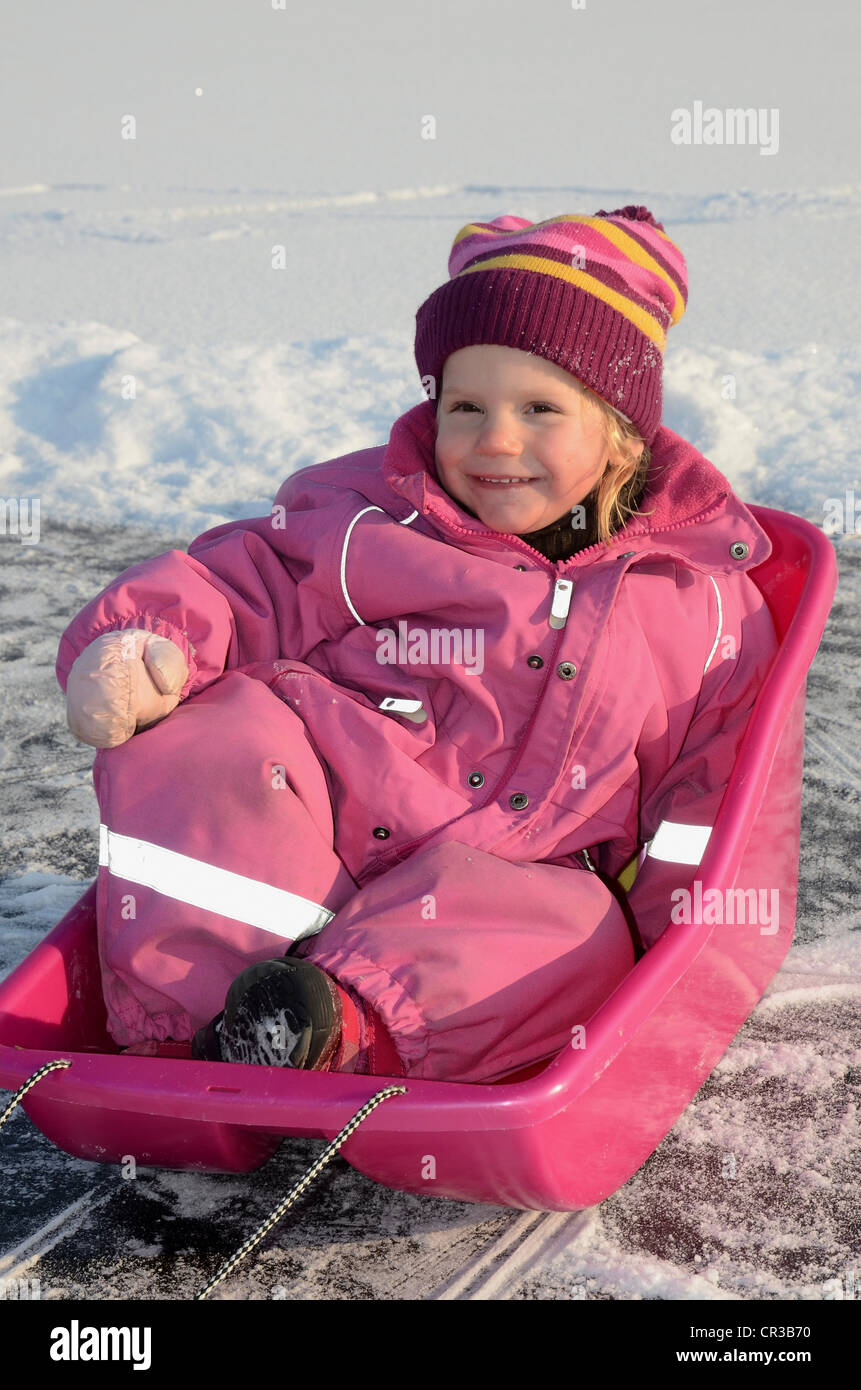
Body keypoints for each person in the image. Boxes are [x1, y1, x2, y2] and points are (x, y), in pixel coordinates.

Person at [56, 207, 779, 1084]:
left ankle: (331, 1031)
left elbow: (702, 797)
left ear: (621, 429)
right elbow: (243, 577)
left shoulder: (696, 604)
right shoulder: (374, 520)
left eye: (538, 409)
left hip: (504, 881)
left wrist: (673, 954)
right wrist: (147, 645)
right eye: (465, 405)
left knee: (576, 941)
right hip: (317, 830)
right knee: (206, 738)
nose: (494, 440)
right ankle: (191, 1026)